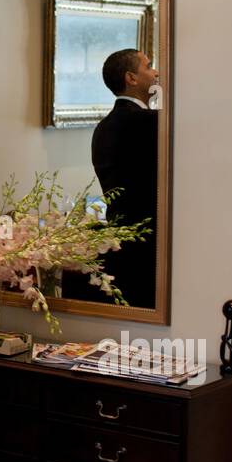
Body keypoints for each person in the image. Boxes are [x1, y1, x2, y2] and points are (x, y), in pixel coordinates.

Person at [66, 47, 158, 307]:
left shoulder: (103, 127)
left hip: (120, 242)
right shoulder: (148, 123)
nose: (156, 72)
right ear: (132, 78)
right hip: (151, 245)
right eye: (149, 66)